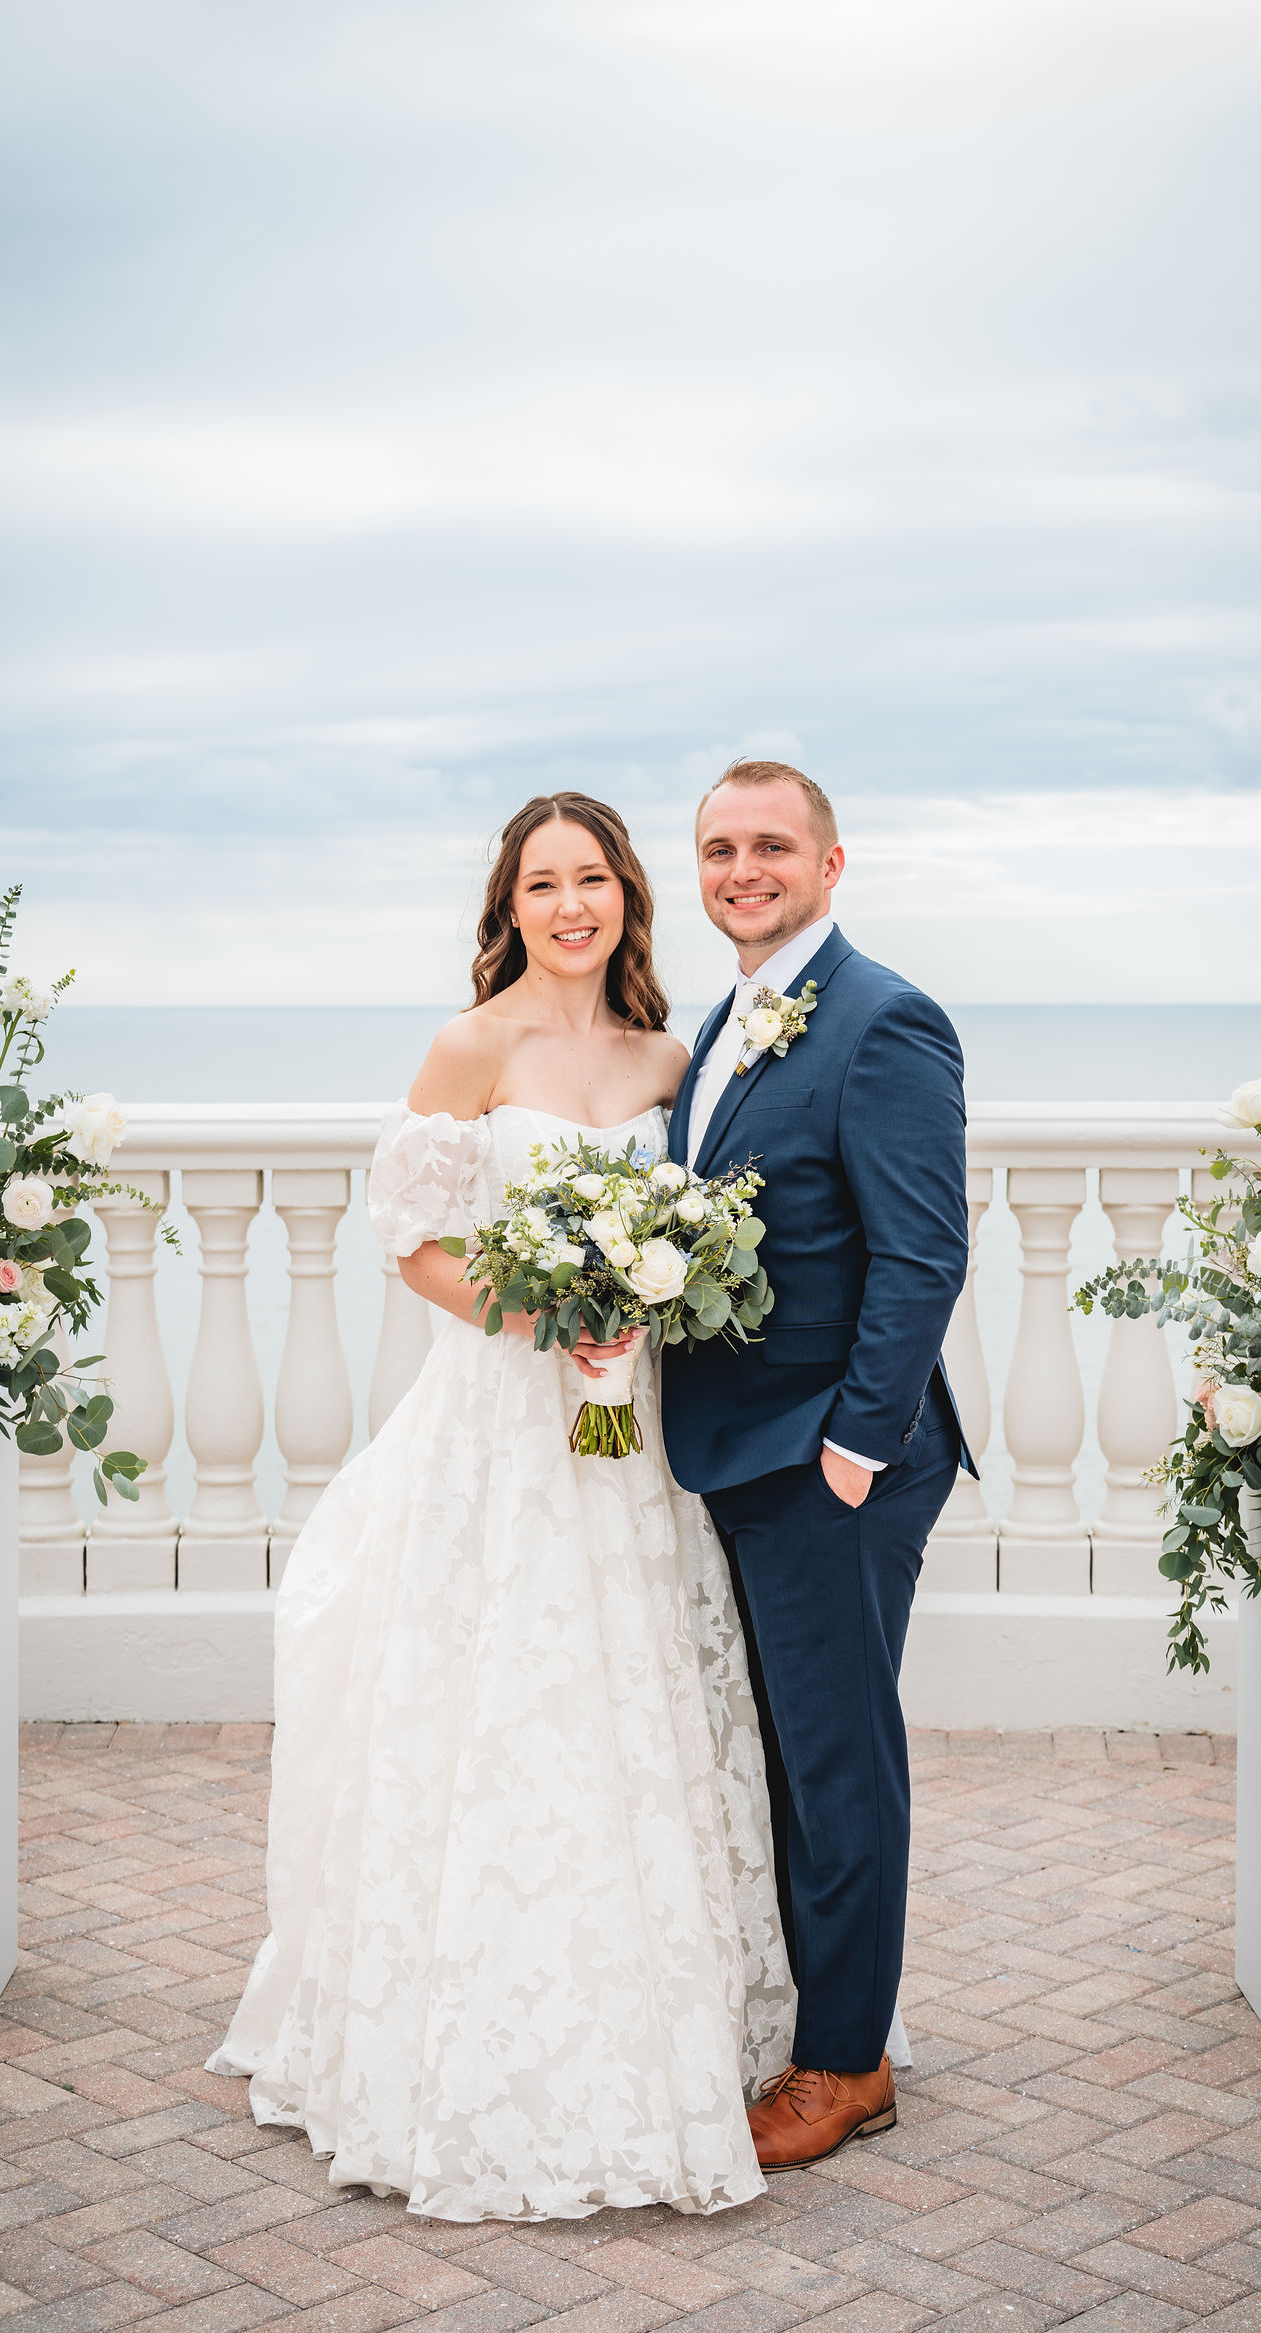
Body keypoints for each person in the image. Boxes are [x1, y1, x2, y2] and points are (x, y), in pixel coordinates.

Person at [207, 791, 794, 2222]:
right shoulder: (473, 1046)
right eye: (544, 884)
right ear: (509, 906)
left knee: (634, 1696)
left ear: (625, 897)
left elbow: (705, 1230)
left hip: (632, 1437)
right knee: (496, 1704)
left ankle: (657, 2015)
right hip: (503, 1429)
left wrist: (637, 1318)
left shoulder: (673, 1054)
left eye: (593, 879)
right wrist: (554, 1325)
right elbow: (412, 1242)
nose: (571, 905)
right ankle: (455, 2039)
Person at [662, 759, 974, 2174]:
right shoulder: (724, 1022)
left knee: (839, 1763)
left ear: (832, 864)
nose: (745, 870)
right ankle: (833, 2027)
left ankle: (844, 2066)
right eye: (721, 848)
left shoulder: (882, 1018)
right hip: (746, 1454)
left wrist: (853, 1450)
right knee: (792, 1753)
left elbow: (923, 1256)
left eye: (773, 847)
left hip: (831, 1464)